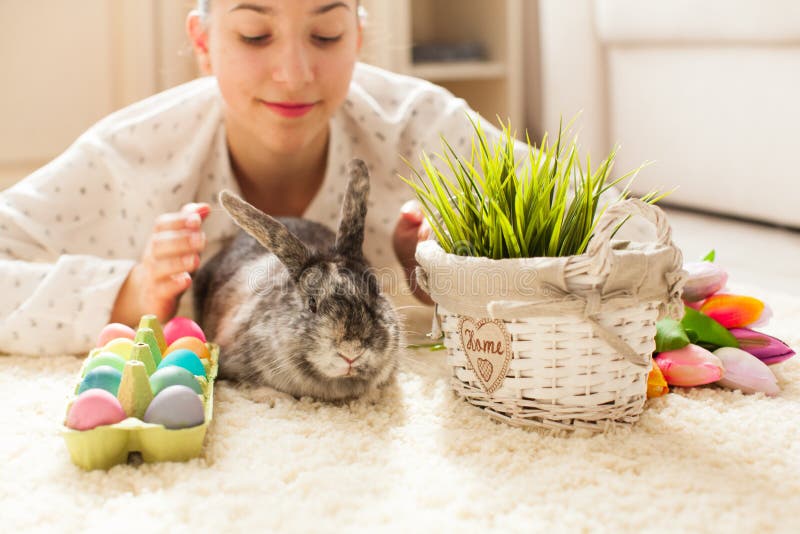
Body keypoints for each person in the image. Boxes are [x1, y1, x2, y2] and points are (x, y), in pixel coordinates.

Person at [0, 0, 540, 356]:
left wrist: (456, 273)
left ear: (358, 36)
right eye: (256, 36)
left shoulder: (421, 128)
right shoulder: (133, 154)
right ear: (205, 44)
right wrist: (130, 292)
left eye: (326, 36)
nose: (294, 74)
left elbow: (608, 227)